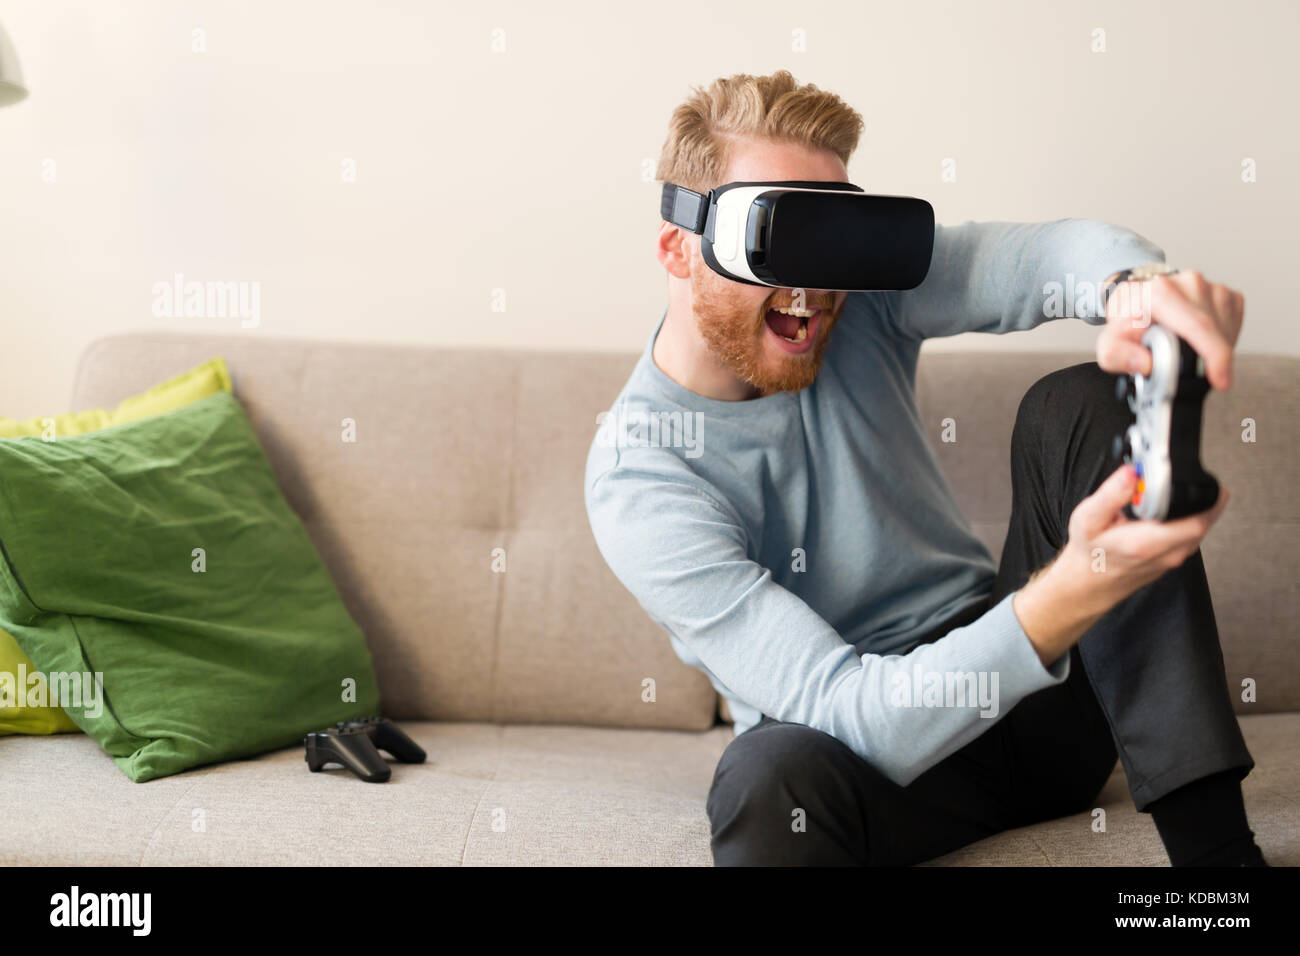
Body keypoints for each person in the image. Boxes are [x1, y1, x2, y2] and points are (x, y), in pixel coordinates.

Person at [584, 70, 1261, 866]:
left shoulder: (857, 301)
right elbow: (845, 707)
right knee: (766, 777)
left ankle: (1220, 881)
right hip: (867, 753)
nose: (814, 289)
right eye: (776, 240)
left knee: (1077, 403)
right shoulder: (641, 477)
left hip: (1037, 711)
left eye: (831, 240)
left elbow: (1032, 259)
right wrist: (1073, 591)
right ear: (677, 247)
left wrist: (1138, 291)